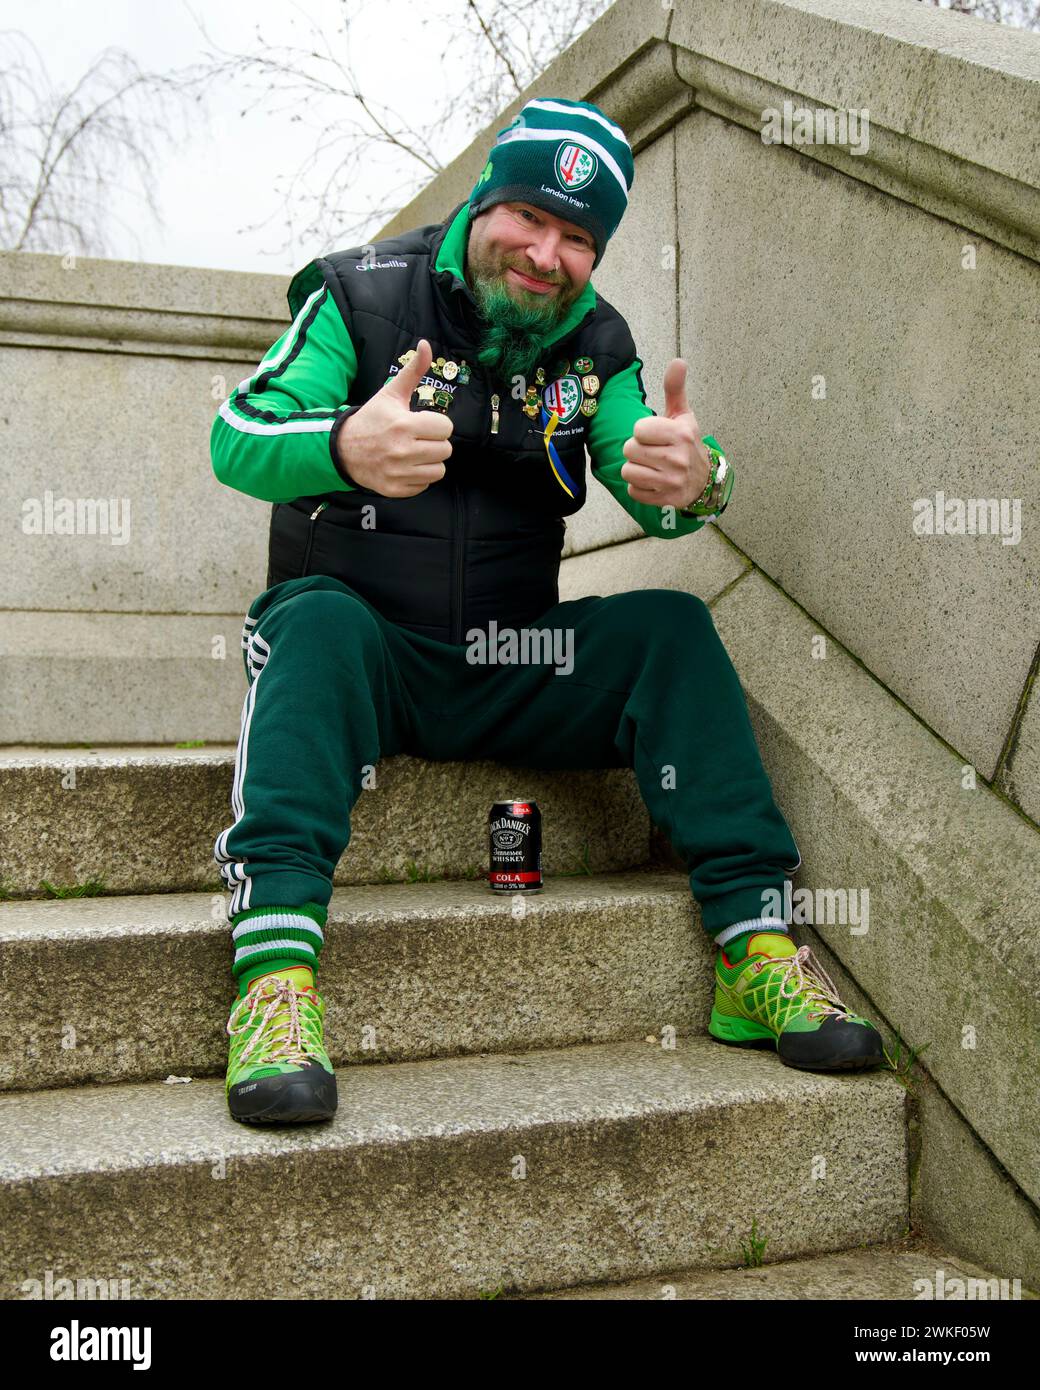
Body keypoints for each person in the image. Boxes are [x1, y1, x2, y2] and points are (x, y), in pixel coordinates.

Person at [211, 97, 884, 1126]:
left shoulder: (594, 344)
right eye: (530, 216)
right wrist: (344, 443)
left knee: (669, 628)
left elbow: (651, 482)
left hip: (506, 655)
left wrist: (693, 480)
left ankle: (754, 955)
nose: (546, 253)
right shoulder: (359, 291)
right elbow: (237, 431)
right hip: (366, 651)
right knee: (312, 621)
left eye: (578, 236)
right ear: (485, 198)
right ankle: (274, 986)